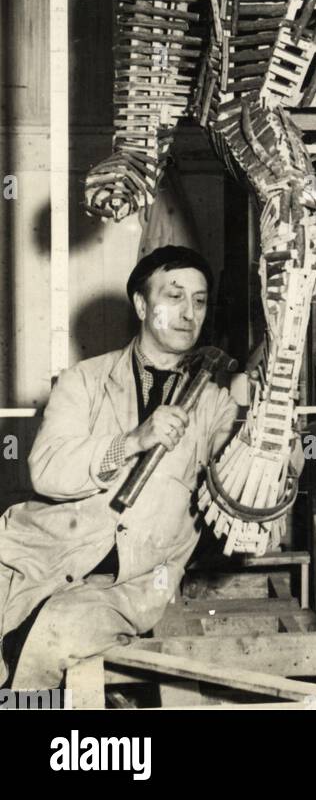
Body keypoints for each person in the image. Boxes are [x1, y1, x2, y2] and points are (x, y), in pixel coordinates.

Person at [0, 246, 243, 690]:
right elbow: (47, 470)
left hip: (130, 581)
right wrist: (133, 442)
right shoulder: (85, 380)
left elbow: (243, 488)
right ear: (142, 305)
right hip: (41, 553)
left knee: (45, 641)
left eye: (201, 300)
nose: (190, 312)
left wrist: (271, 430)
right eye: (174, 296)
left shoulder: (216, 406)